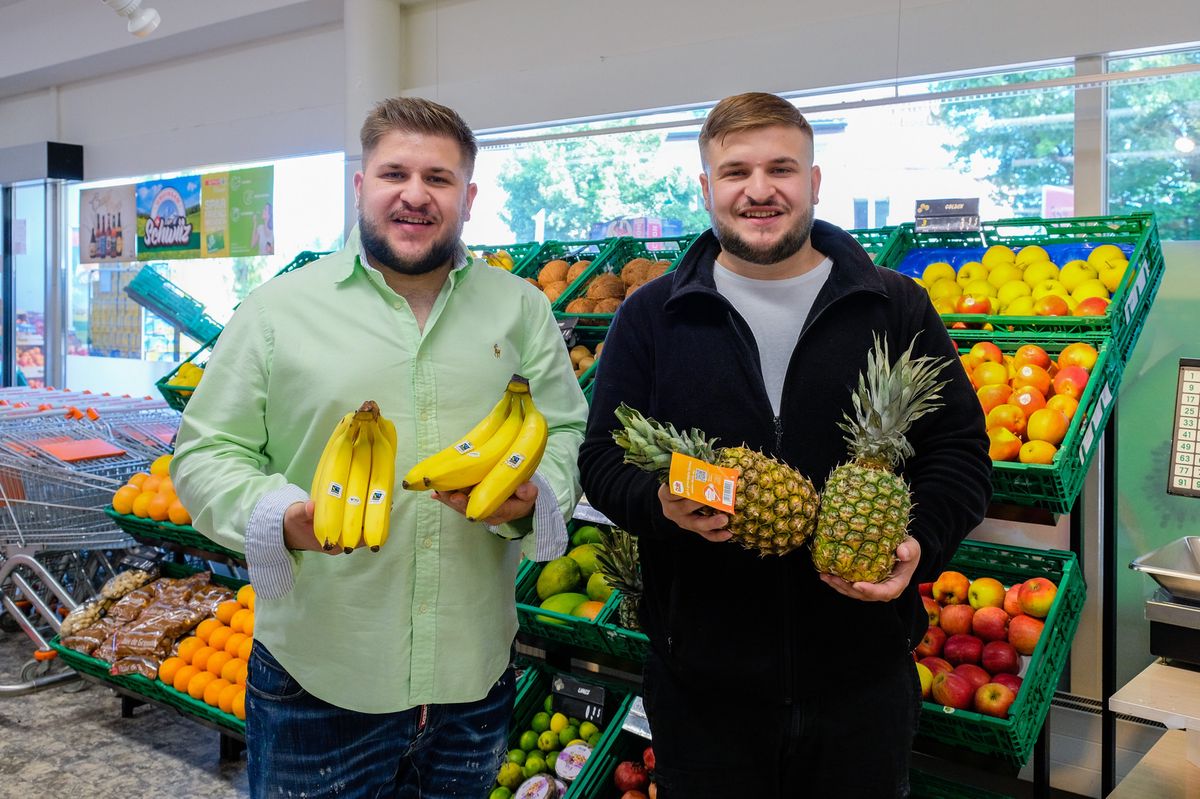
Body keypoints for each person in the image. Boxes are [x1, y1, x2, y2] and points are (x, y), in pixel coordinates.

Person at [172, 96, 589, 799]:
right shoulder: (279, 311)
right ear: (361, 185)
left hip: (473, 678)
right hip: (318, 680)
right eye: (395, 173)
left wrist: (532, 492)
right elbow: (207, 452)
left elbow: (565, 426)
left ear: (469, 196)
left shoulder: (520, 307)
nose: (416, 194)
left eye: (440, 178)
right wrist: (284, 517)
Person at [578, 92, 992, 798]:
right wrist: (659, 503)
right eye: (736, 172)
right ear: (707, 188)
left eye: (782, 168)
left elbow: (959, 450)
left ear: (815, 181)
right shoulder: (651, 316)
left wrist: (921, 540)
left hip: (863, 683)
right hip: (703, 688)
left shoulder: (893, 303)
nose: (760, 190)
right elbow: (602, 459)